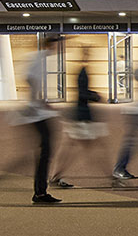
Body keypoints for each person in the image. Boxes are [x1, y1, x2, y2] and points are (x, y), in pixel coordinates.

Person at [49, 64, 106, 189]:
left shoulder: (81, 70)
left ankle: (55, 176)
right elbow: (82, 93)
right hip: (82, 117)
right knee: (97, 148)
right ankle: (111, 178)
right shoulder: (82, 72)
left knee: (70, 149)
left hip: (78, 116)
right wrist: (96, 97)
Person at [24, 34, 64, 204]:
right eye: (55, 45)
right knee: (45, 151)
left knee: (45, 150)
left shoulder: (42, 58)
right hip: (35, 112)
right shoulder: (38, 58)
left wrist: (42, 100)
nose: (56, 49)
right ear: (50, 44)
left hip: (38, 111)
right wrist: (37, 100)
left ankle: (40, 191)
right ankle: (40, 193)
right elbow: (30, 79)